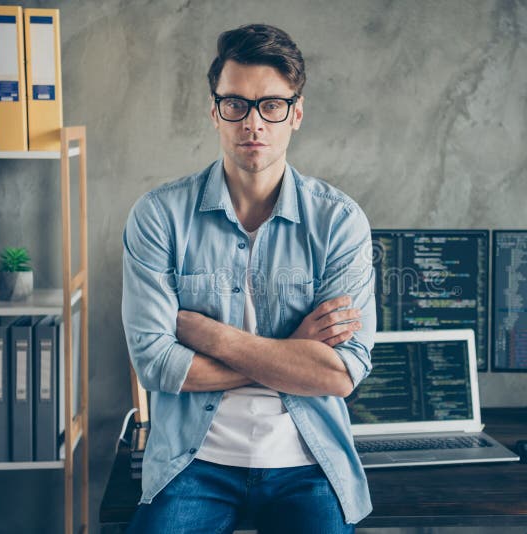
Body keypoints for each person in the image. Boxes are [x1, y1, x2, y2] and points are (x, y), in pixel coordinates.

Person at [122, 23, 376, 534]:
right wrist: (293, 351)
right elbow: (155, 363)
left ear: (296, 114)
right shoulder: (158, 216)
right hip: (192, 463)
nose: (253, 123)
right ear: (215, 111)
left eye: (271, 105)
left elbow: (340, 374)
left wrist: (211, 337)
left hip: (308, 463)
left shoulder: (339, 221)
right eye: (236, 104)